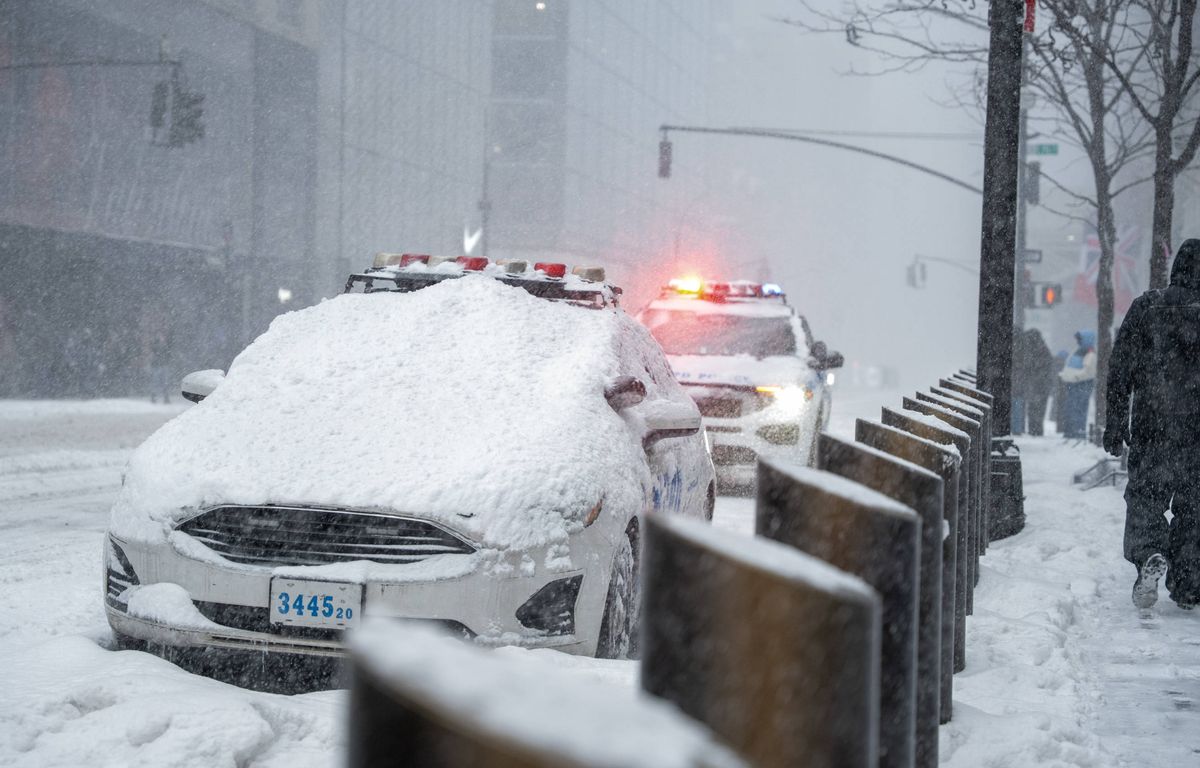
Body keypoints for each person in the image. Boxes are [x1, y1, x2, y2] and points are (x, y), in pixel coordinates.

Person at [1104, 238, 1200, 610]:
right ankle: (1190, 582)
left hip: (1154, 424)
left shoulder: (1148, 306)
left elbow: (1121, 367)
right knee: (1194, 506)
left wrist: (1115, 420)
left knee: (1146, 495)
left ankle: (1148, 553)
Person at [1058, 329, 1097, 440]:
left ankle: (1077, 432)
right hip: (1073, 384)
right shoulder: (1078, 351)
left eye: (1080, 339)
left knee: (1078, 408)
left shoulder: (1090, 354)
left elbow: (1088, 372)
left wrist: (1074, 377)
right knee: (1071, 407)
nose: (1078, 342)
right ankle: (1070, 431)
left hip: (1082, 384)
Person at [1022, 329, 1055, 436]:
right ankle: (1035, 429)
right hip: (1039, 383)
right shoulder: (1041, 349)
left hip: (1039, 384)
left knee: (1036, 407)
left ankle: (1035, 429)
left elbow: (1039, 367)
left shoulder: (1038, 350)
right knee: (1036, 407)